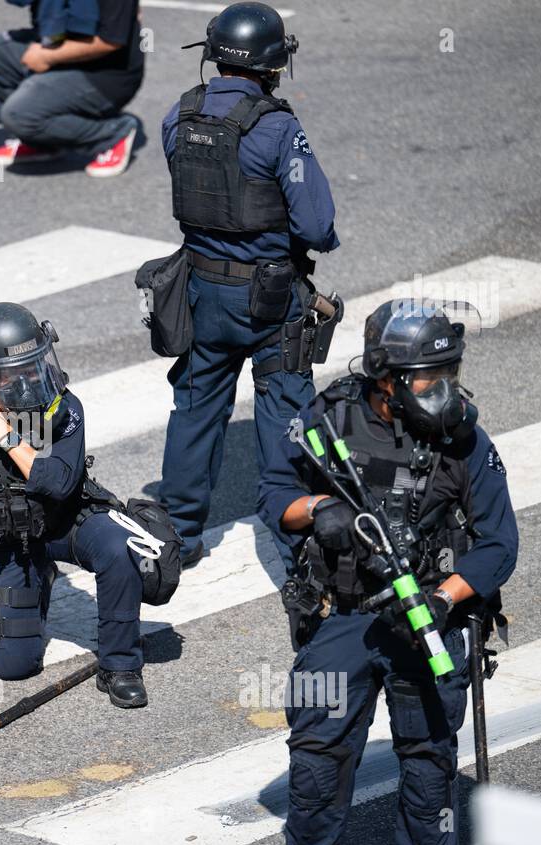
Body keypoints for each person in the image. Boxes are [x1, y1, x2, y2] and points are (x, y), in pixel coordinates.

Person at [259, 299, 518, 845]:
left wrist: (444, 597)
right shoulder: (326, 420)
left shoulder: (464, 441)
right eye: (430, 379)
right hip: (341, 616)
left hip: (429, 618)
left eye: (450, 375)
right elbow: (273, 490)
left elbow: (500, 544)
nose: (445, 391)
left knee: (429, 771)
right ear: (385, 379)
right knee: (315, 769)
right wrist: (314, 508)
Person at [158, 2, 339, 569]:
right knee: (284, 408)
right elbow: (317, 225)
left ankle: (181, 533)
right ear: (273, 65)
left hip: (198, 292)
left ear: (213, 56)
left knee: (195, 407)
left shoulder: (178, 116)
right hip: (268, 299)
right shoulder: (278, 127)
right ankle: (295, 540)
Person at [0, 303, 156, 706]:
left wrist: (5, 433)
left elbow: (58, 483)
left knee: (117, 547)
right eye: (11, 374)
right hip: (7, 539)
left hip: (64, 522)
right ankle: (40, 576)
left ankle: (120, 665)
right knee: (12, 666)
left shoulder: (63, 406)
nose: (25, 381)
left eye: (33, 366)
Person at [0, 0, 145, 177]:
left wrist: (47, 56)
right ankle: (41, 141)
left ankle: (112, 134)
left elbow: (111, 41)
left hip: (107, 75)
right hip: (56, 44)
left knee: (18, 115)